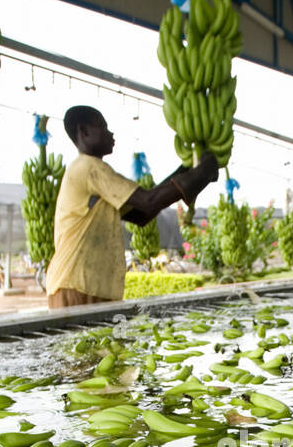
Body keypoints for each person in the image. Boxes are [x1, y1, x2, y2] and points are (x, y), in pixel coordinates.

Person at [46, 106, 218, 308]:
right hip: (76, 285)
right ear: (84, 132)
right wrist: (199, 175)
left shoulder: (94, 175)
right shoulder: (89, 167)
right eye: (103, 127)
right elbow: (148, 201)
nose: (110, 134)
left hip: (89, 286)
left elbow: (142, 213)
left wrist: (186, 171)